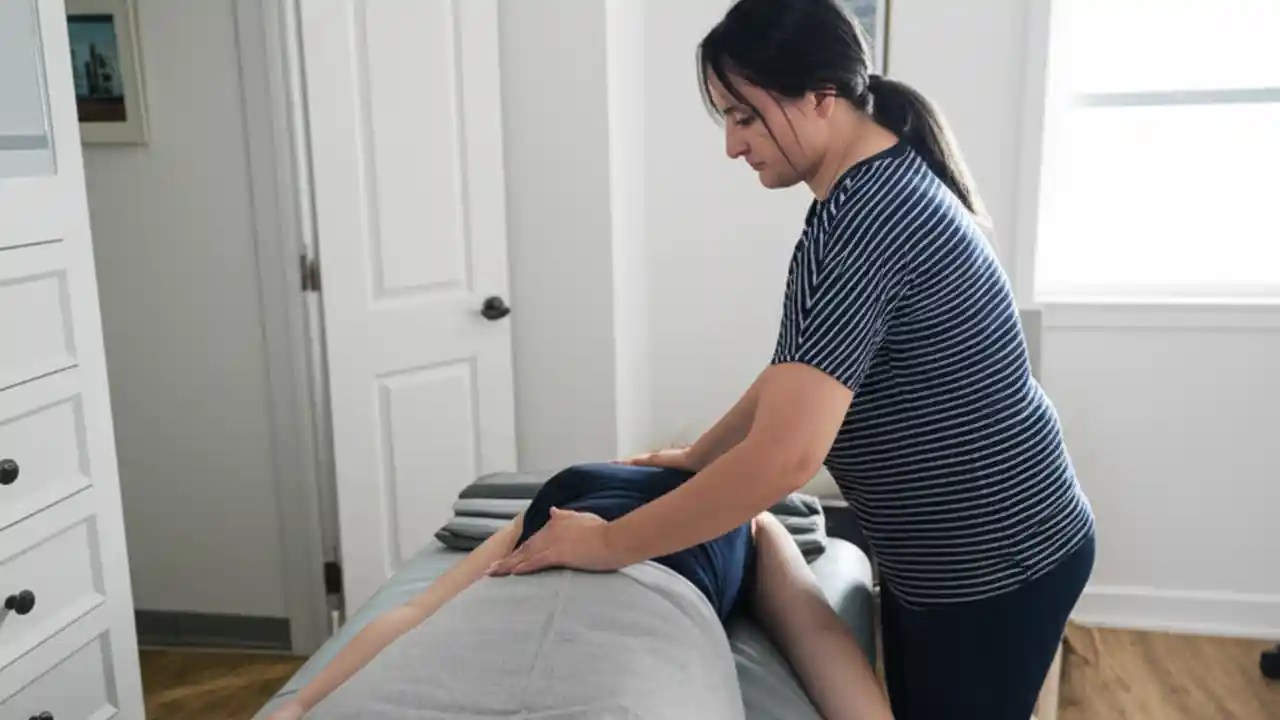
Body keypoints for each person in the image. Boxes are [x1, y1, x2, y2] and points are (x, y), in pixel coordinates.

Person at [488, 0, 1096, 717]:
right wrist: (700, 455)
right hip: (973, 546)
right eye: (726, 119)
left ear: (819, 98)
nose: (732, 146)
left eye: (744, 117)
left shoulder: (863, 223)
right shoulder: (869, 191)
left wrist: (609, 544)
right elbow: (800, 373)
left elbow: (785, 459)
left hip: (995, 559)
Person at [267, 463, 891, 720]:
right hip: (510, 606)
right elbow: (422, 609)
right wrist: (296, 706)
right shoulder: (566, 496)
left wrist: (298, 705)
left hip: (643, 625)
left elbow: (814, 629)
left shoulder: (746, 508)